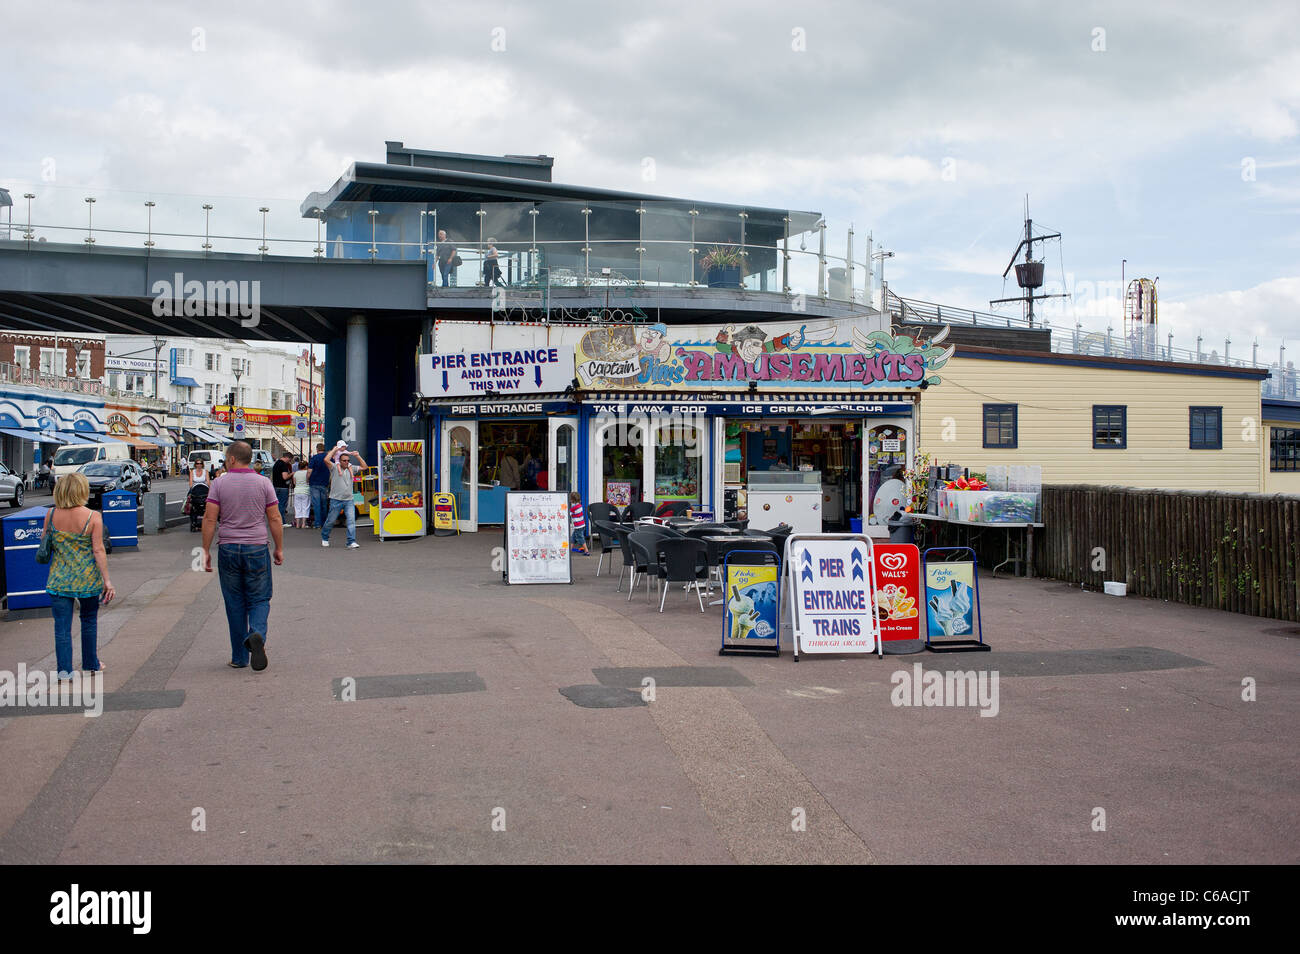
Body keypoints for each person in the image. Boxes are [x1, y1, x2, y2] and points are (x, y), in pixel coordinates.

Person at [201, 441, 283, 672]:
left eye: (227, 458)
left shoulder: (219, 483)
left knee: (234, 602)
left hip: (228, 547)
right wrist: (278, 547)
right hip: (257, 547)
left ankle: (239, 657)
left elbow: (209, 519)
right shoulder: (263, 482)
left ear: (233, 459)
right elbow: (275, 518)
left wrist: (205, 551)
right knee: (259, 598)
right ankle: (256, 633)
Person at [44, 473, 114, 679]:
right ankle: (91, 663)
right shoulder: (93, 517)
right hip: (87, 578)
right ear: (82, 491)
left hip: (59, 578)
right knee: (89, 620)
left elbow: (46, 544)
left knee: (62, 627)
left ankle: (64, 671)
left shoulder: (50, 515)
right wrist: (107, 581)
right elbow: (99, 550)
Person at [321, 442, 367, 549]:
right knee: (331, 520)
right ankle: (325, 537)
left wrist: (357, 456)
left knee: (351, 521)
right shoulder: (334, 467)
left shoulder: (352, 468)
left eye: (348, 461)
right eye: (344, 461)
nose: (346, 462)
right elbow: (326, 460)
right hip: (335, 499)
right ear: (339, 461)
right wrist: (334, 449)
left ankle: (351, 541)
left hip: (349, 500)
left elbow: (364, 467)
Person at [307, 442, 331, 529]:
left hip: (314, 483)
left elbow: (309, 471)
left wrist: (307, 479)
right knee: (324, 504)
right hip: (324, 483)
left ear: (317, 449)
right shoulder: (328, 458)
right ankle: (324, 522)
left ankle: (317, 524)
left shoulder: (314, 458)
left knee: (316, 504)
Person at [271, 451, 293, 523]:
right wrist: (292, 474)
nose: (289, 462)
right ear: (287, 457)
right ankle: (281, 521)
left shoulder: (276, 463)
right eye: (290, 460)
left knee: (276, 505)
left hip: (276, 486)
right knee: (282, 505)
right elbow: (285, 477)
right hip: (283, 487)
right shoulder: (283, 465)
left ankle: (275, 520)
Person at [291, 456, 312, 529]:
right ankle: (303, 524)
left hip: (297, 491)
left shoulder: (296, 473)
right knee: (305, 507)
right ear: (306, 466)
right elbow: (309, 481)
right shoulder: (307, 472)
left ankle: (297, 524)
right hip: (306, 491)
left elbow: (294, 482)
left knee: (297, 507)